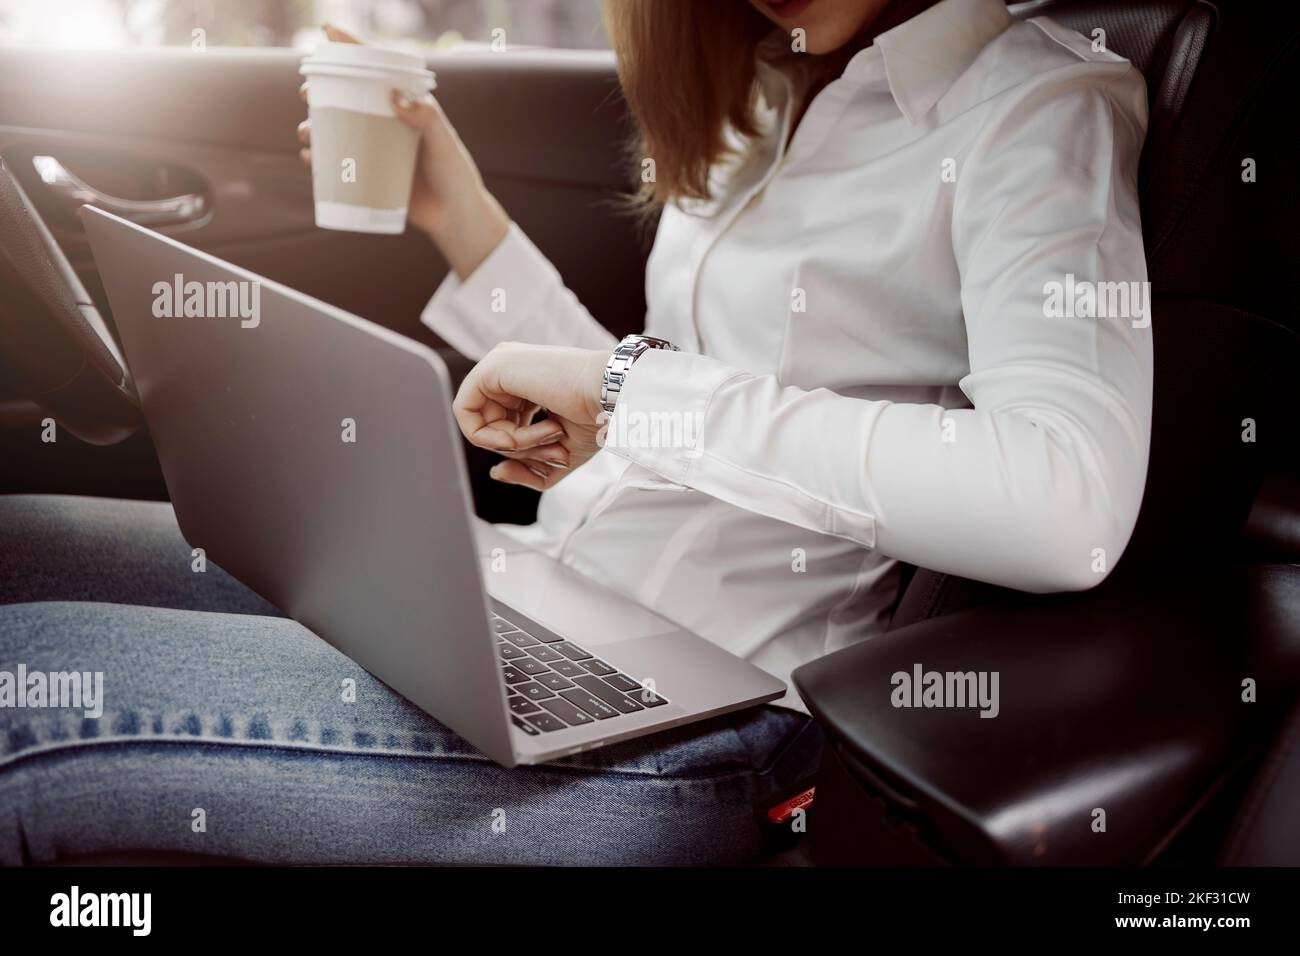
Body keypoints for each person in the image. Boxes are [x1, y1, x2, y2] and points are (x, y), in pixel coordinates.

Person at [0, 0, 1151, 864]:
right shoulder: (754, 89)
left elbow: (1065, 499)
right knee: (25, 537)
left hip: (705, 726)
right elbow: (643, 401)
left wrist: (638, 391)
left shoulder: (1035, 109)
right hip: (549, 593)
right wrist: (461, 215)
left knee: (31, 687)